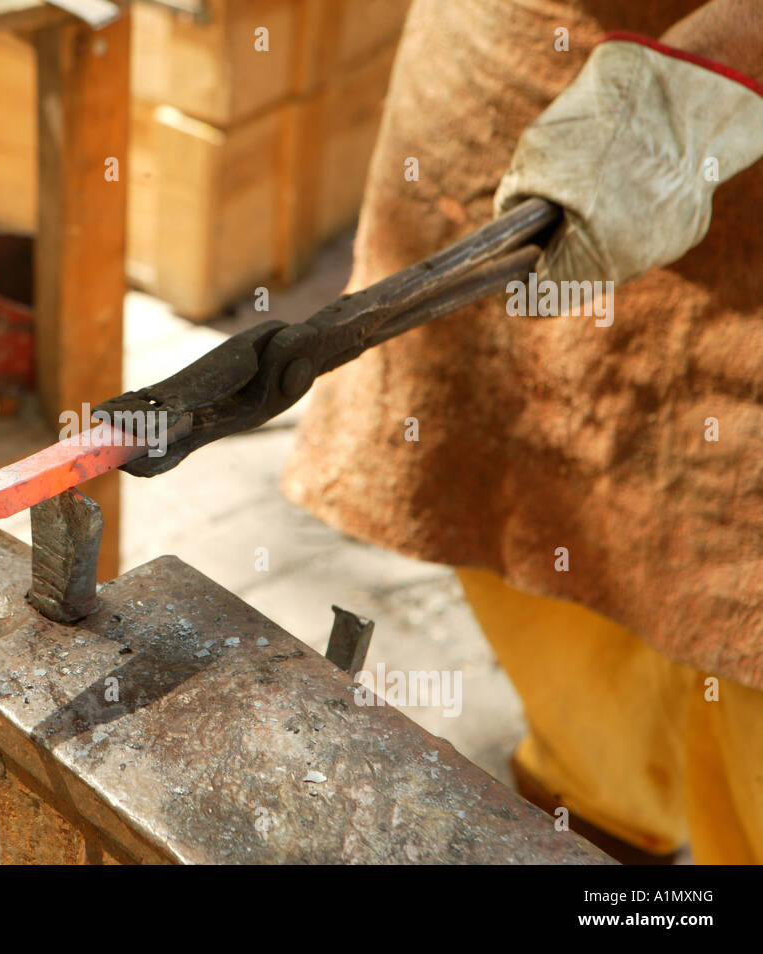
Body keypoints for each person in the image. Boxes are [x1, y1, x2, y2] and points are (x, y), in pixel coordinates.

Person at [283, 0, 763, 863]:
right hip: (521, 74)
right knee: (537, 539)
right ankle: (598, 842)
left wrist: (715, 71)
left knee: (737, 588)